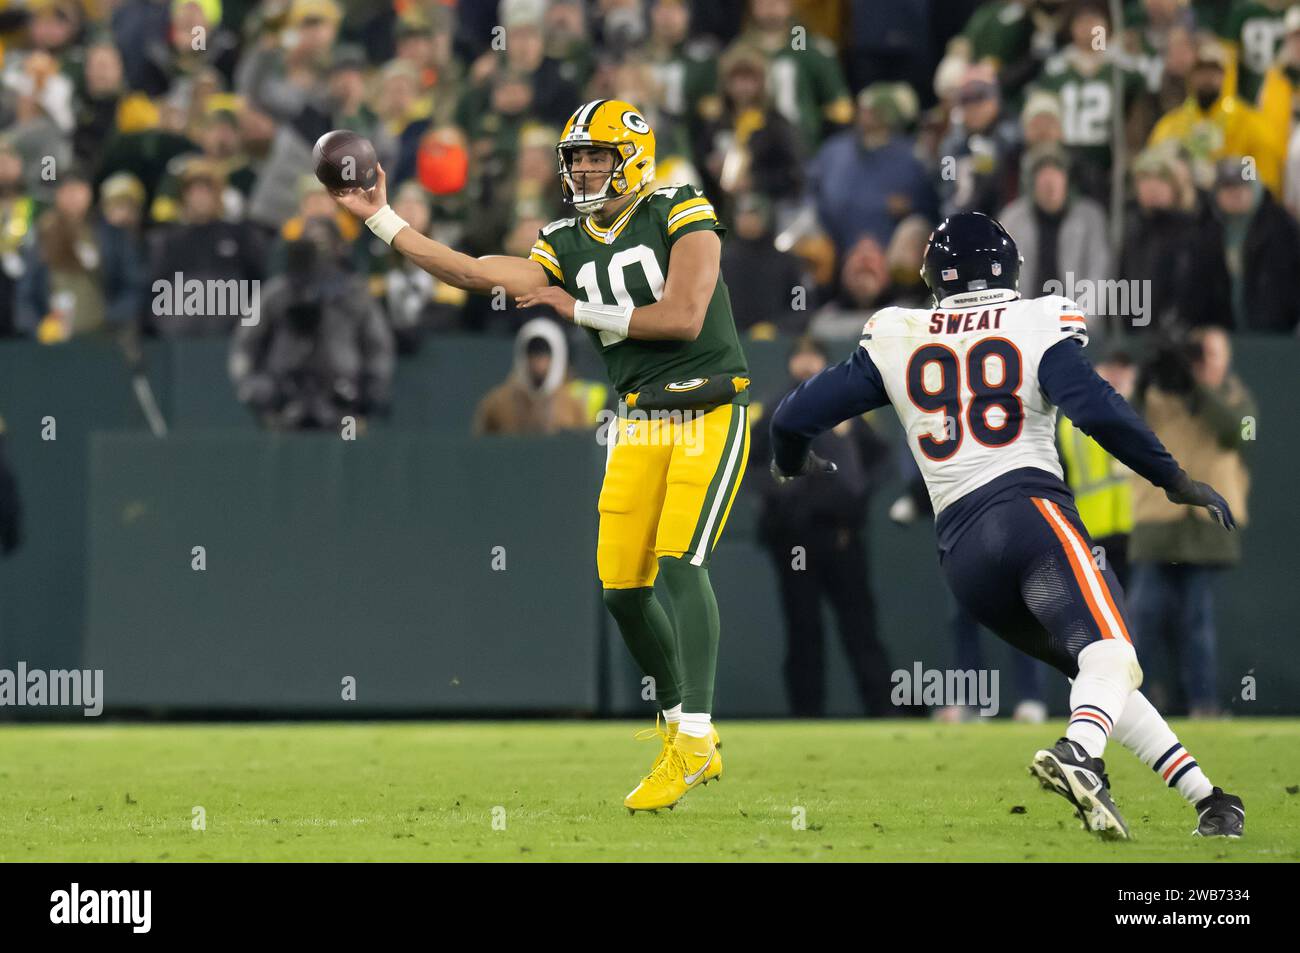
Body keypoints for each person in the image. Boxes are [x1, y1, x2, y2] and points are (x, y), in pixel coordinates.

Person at [769, 212, 1244, 839]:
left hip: (962, 554)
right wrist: (1173, 478)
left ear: (936, 276)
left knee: (1095, 671)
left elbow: (791, 417)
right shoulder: (1036, 319)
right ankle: (1080, 756)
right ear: (1010, 269)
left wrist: (792, 461)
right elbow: (1097, 409)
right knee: (1115, 654)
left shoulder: (898, 332)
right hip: (1029, 517)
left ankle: (1207, 798)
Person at [333, 100, 749, 814]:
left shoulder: (681, 204)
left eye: (598, 155)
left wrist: (575, 308)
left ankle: (699, 734)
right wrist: (381, 219)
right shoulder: (565, 238)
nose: (584, 168)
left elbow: (683, 314)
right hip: (641, 419)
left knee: (682, 561)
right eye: (577, 158)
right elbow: (469, 272)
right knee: (622, 590)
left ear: (636, 155)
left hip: (708, 406)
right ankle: (677, 723)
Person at [750, 337, 894, 717]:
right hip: (794, 539)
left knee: (859, 626)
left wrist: (857, 495)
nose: (806, 363)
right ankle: (806, 715)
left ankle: (880, 709)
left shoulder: (846, 410)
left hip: (842, 537)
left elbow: (883, 458)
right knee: (803, 630)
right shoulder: (774, 410)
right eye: (799, 355)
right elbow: (751, 463)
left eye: (813, 356)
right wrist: (781, 495)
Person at [1127, 327, 1254, 717]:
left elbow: (1240, 433)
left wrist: (1197, 387)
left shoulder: (1236, 397)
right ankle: (1126, 703)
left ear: (1225, 360)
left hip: (1206, 525)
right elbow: (1124, 427)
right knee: (1142, 615)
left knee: (1196, 618)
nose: (1202, 363)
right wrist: (1146, 379)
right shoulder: (1158, 396)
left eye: (1210, 355)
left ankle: (1202, 704)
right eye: (1197, 356)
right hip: (1156, 523)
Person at [473, 318, 589, 435]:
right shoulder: (497, 403)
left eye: (544, 356)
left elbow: (580, 446)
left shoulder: (572, 406)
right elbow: (481, 445)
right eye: (533, 355)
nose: (538, 364)